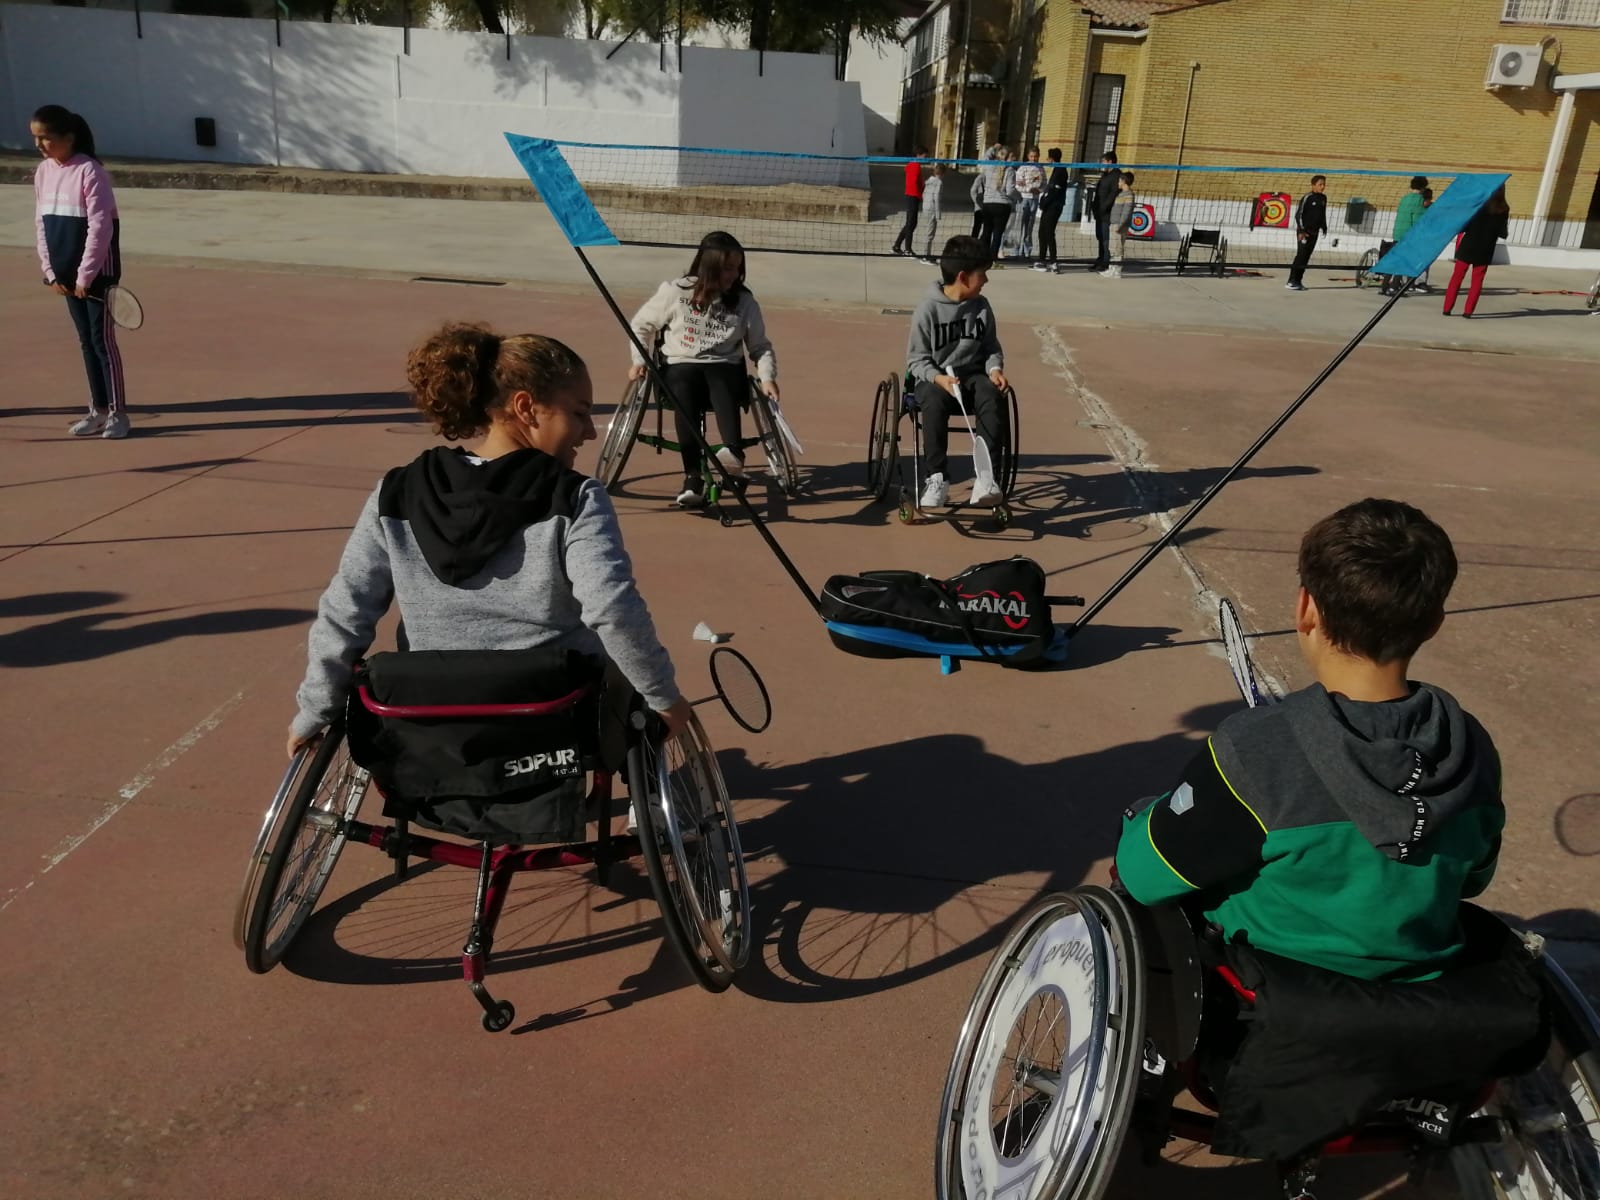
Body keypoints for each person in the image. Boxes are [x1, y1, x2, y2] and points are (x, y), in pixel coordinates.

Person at [1116, 497, 1503, 984]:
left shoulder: (1257, 748)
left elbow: (1143, 877)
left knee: (1144, 835)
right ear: (1432, 625)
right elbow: (1474, 879)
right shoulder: (1470, 744)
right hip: (1423, 1010)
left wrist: (1144, 816)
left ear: (1306, 609)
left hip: (1268, 1007)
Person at [288, 322, 692, 760]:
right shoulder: (574, 496)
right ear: (526, 408)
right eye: (579, 413)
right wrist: (663, 698)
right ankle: (647, 792)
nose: (590, 433)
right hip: (555, 721)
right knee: (627, 673)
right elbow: (611, 609)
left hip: (429, 722)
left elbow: (346, 610)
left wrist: (315, 709)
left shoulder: (397, 491)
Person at [627, 231, 778, 508]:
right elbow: (640, 326)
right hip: (679, 366)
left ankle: (732, 454)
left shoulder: (744, 302)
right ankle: (692, 477)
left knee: (720, 379)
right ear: (709, 267)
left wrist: (767, 377)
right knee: (683, 385)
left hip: (724, 368)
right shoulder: (676, 292)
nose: (734, 275)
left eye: (738, 268)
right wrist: (639, 360)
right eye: (728, 268)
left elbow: (759, 346)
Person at [31, 105, 129, 440]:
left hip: (97, 275)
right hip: (65, 276)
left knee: (103, 343)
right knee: (86, 342)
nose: (40, 144)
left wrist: (86, 276)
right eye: (36, 138)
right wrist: (51, 271)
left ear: (68, 137)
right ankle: (97, 411)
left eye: (46, 137)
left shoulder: (91, 172)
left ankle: (118, 414)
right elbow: (42, 224)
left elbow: (100, 228)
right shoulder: (43, 172)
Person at [905, 235, 1009, 510]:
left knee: (992, 394)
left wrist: (995, 369)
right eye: (982, 274)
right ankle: (937, 477)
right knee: (933, 399)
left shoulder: (982, 307)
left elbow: (990, 348)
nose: (986, 280)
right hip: (936, 379)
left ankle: (986, 479)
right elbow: (916, 360)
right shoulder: (927, 309)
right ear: (963, 277)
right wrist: (939, 378)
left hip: (972, 377)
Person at [1443, 186, 1510, 319]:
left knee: (1457, 277)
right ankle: (1468, 311)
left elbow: (1465, 226)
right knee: (1477, 281)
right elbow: (1503, 233)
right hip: (1486, 248)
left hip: (1469, 245)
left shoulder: (1479, 204)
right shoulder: (1504, 208)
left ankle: (1447, 308)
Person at [1381, 175, 1429, 296]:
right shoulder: (1419, 200)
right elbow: (1420, 218)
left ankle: (1384, 286)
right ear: (1423, 187)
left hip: (1398, 232)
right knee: (1403, 262)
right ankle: (1393, 288)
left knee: (1394, 260)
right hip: (1409, 235)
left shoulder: (1404, 198)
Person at [1285, 173, 1328, 291]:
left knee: (1307, 257)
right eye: (1320, 184)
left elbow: (1322, 214)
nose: (1322, 187)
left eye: (1324, 184)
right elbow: (1298, 215)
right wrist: (1302, 230)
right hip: (1304, 232)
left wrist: (1324, 226)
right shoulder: (1307, 197)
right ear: (1313, 185)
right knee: (1301, 256)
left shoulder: (1323, 198)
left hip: (1315, 233)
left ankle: (1298, 281)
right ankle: (1291, 280)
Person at [1035, 148, 1070, 273]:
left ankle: (1053, 262)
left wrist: (1045, 202)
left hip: (1054, 206)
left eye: (1048, 157)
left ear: (1052, 158)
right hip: (1049, 206)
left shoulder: (1061, 171)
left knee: (1049, 233)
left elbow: (1055, 191)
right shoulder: (1056, 169)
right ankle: (1041, 259)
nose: (1047, 160)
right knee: (1042, 232)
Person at [980, 146, 1017, 262]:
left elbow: (985, 157)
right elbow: (1010, 191)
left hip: (987, 203)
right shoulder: (1010, 170)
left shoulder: (989, 166)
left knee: (986, 230)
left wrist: (993, 148)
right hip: (1002, 205)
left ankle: (982, 257)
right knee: (997, 233)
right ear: (1007, 158)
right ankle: (993, 258)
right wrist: (1017, 197)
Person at [1087, 151, 1121, 272]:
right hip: (1099, 212)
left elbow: (1112, 195)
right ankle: (1100, 259)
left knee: (1106, 238)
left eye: (1103, 162)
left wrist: (1103, 208)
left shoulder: (1116, 175)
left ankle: (1106, 262)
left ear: (1110, 162)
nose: (1102, 164)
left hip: (1107, 213)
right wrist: (1094, 207)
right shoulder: (1105, 175)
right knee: (1100, 236)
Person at [1098, 172, 1136, 279]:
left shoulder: (1129, 194)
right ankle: (1111, 269)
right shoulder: (1121, 194)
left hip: (1119, 226)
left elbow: (1126, 212)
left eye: (1119, 181)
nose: (1118, 183)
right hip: (1113, 224)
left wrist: (1120, 225)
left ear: (1124, 181)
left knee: (1118, 248)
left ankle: (1117, 271)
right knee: (1113, 248)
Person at [891, 147, 927, 256]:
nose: (925, 158)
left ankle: (897, 246)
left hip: (912, 196)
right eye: (924, 156)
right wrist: (920, 192)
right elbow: (914, 182)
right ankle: (907, 249)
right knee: (911, 223)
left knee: (911, 223)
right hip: (912, 196)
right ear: (919, 155)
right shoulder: (915, 166)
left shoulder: (913, 165)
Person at [1013, 147, 1045, 261]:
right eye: (1031, 156)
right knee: (1020, 225)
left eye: (1035, 156)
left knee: (1030, 226)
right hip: (1023, 199)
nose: (1034, 158)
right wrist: (1028, 189)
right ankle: (1016, 250)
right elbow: (1018, 185)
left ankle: (1027, 250)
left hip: (1034, 199)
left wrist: (1040, 190)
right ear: (1028, 156)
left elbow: (1044, 184)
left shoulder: (1040, 168)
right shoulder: (1023, 168)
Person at [919, 163, 947, 262]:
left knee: (928, 231)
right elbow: (937, 197)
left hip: (926, 207)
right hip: (932, 209)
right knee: (930, 233)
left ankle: (927, 254)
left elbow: (923, 194)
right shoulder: (938, 182)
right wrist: (938, 213)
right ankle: (925, 256)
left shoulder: (929, 181)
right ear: (943, 173)